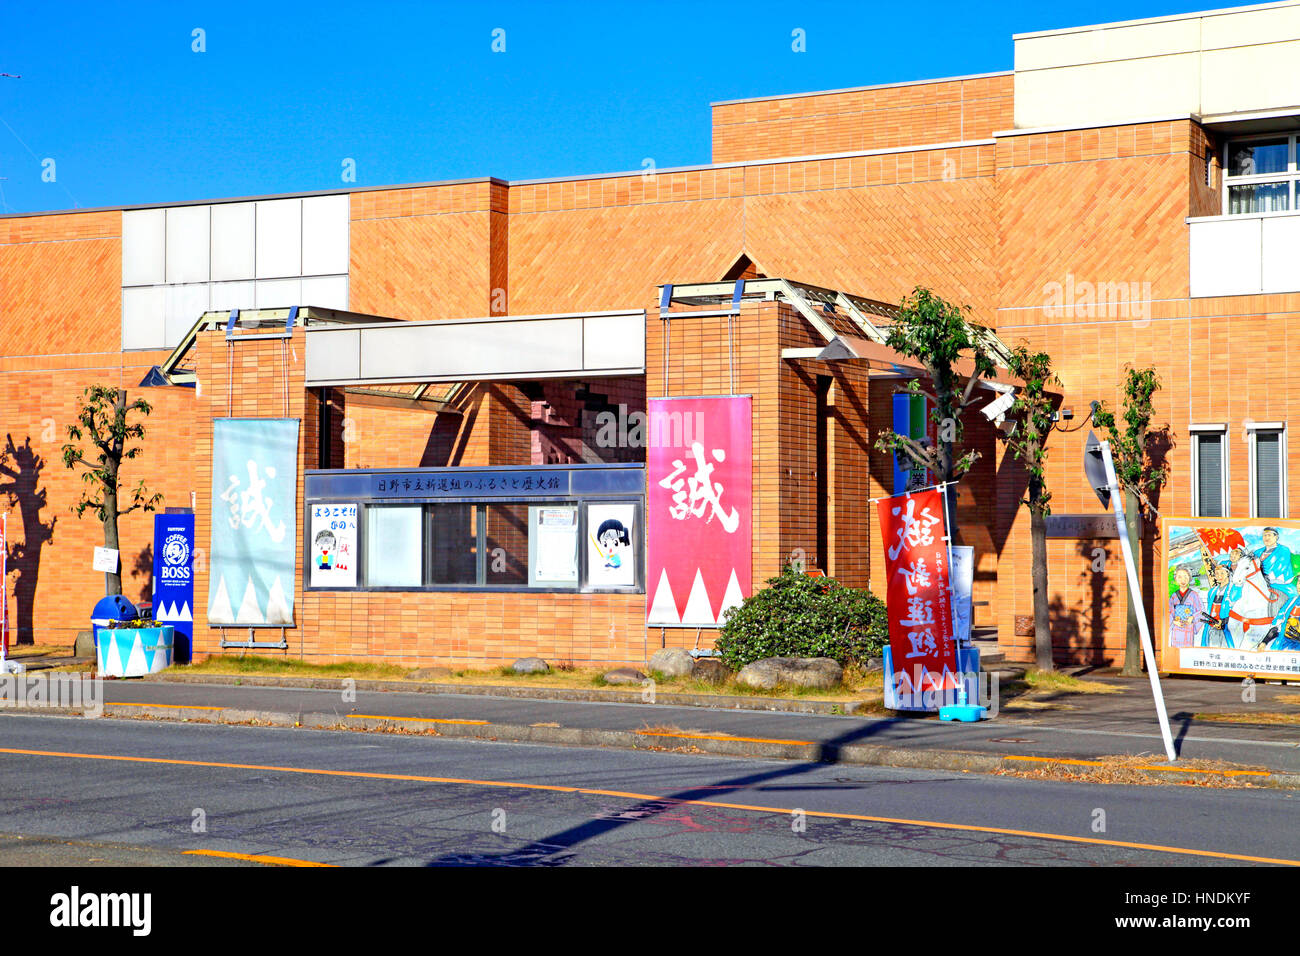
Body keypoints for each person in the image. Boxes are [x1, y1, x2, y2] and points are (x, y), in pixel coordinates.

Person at [1253, 527, 1296, 619]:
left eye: (1269, 535)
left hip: (1278, 583)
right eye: (1264, 535)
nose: (1266, 538)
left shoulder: (1284, 550)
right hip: (1258, 584)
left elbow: (1280, 567)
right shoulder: (1257, 552)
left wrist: (1263, 579)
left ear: (1276, 537)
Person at [1201, 561, 1235, 648]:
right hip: (1212, 625)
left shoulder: (1233, 589)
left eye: (1222, 573)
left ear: (1228, 574)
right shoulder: (1212, 591)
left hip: (1227, 626)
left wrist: (1224, 621)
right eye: (1216, 574)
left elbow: (1237, 610)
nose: (1219, 576)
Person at [1168, 566, 1202, 648]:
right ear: (1175, 579)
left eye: (1186, 577)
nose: (1183, 580)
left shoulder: (1194, 595)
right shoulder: (1173, 596)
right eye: (1179, 577)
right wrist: (1174, 622)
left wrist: (1192, 617)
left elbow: (1201, 610)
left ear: (1190, 578)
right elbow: (1169, 612)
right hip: (1177, 626)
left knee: (1187, 649)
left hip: (1188, 626)